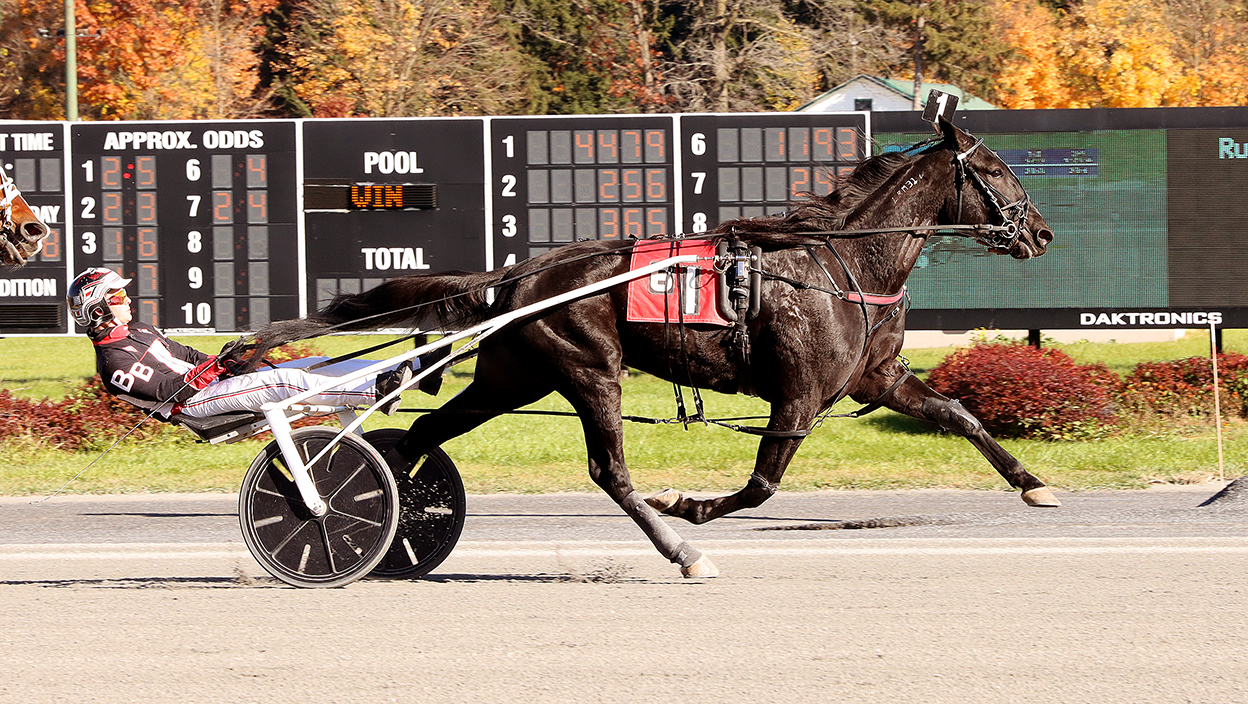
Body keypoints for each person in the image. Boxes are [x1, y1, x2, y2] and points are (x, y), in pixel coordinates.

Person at [67, 267, 413, 419]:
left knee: (314, 362)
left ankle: (408, 372)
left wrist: (228, 360)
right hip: (192, 405)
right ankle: (374, 392)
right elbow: (170, 389)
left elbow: (186, 355)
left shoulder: (139, 330)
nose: (128, 299)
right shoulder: (114, 364)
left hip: (210, 385)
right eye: (118, 295)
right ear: (96, 309)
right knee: (280, 382)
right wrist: (216, 367)